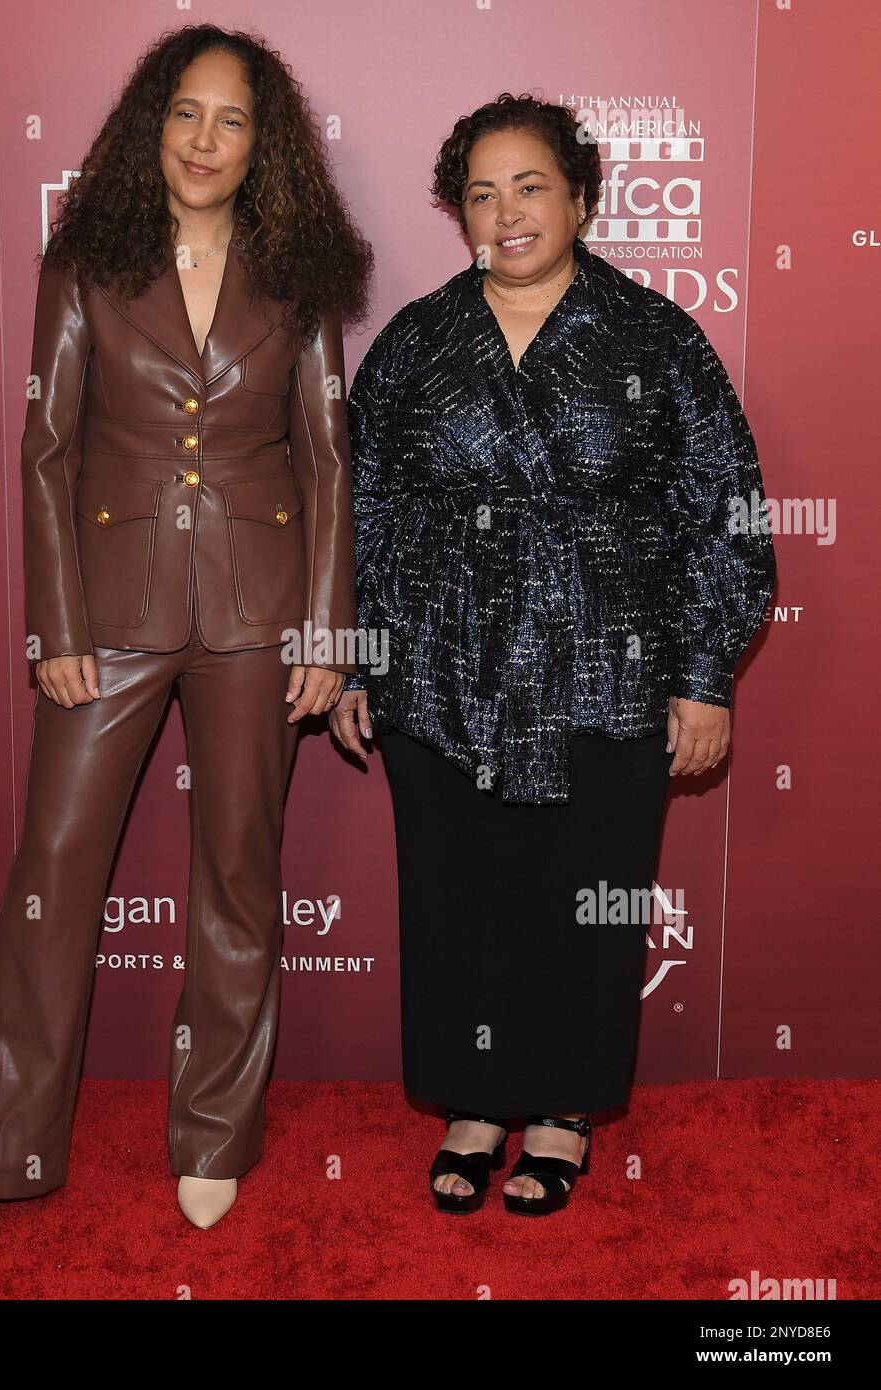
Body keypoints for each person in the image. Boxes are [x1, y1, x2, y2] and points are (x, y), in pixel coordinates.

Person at [0, 23, 371, 1252]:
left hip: (257, 611)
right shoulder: (84, 262)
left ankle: (215, 1136)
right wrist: (56, 627)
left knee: (239, 875)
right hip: (108, 617)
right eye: (187, 112)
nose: (204, 139)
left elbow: (329, 458)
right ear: (152, 123)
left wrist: (326, 629)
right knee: (52, 878)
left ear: (261, 146)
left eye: (232, 120)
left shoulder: (295, 274)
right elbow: (47, 452)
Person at [330, 92, 775, 1216]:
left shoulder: (656, 336)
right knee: (457, 894)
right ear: (457, 214)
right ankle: (474, 1105)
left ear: (578, 196)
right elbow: (359, 507)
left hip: (606, 672)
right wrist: (348, 656)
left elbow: (722, 503)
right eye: (480, 191)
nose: (505, 209)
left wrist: (702, 671)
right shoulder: (416, 341)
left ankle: (563, 1110)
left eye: (528, 184)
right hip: (442, 675)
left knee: (586, 899)